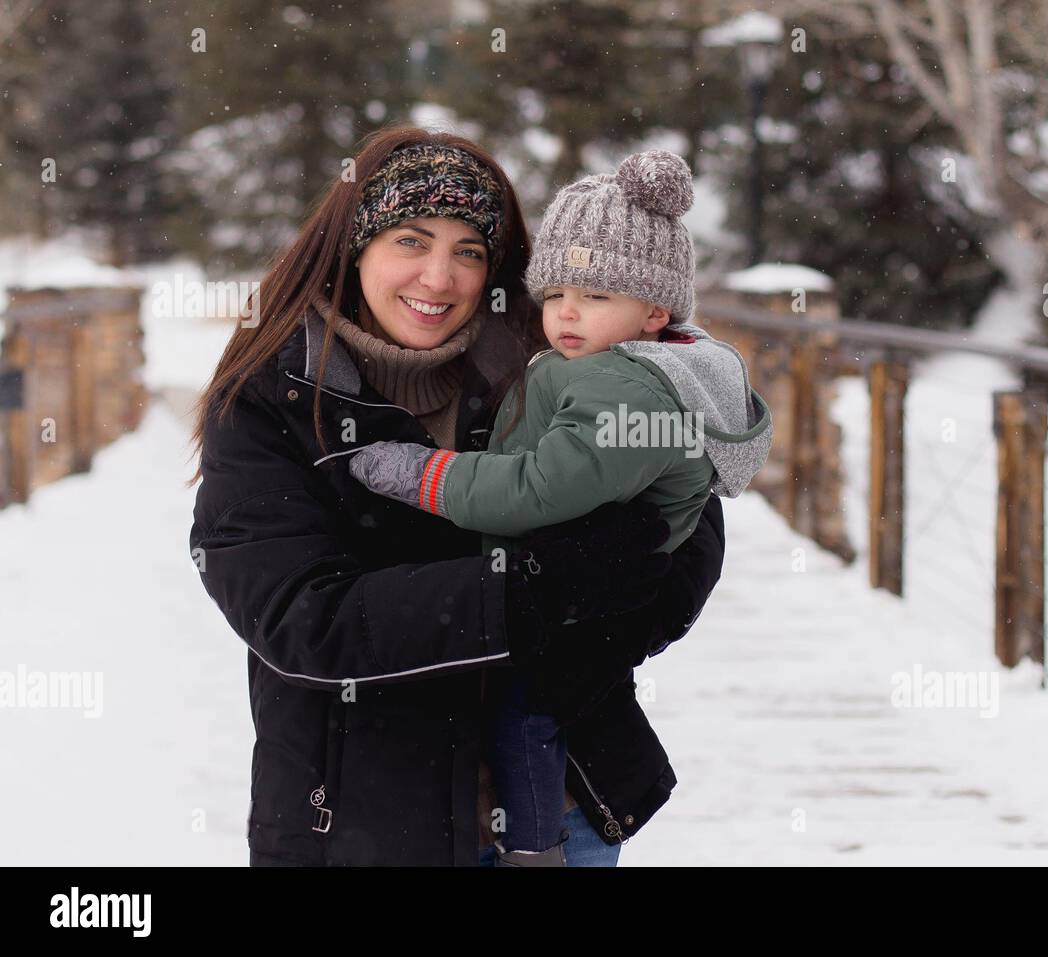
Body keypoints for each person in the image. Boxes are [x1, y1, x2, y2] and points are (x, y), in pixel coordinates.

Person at [186, 127, 726, 866]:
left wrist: (615, 617)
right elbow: (297, 615)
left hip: (564, 810)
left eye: (469, 251)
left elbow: (685, 514)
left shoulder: (549, 361)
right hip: (364, 825)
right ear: (356, 244)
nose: (439, 277)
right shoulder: (270, 399)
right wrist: (521, 597)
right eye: (412, 240)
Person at [348, 150, 772, 865]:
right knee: (534, 710)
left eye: (598, 296)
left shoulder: (623, 387)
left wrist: (421, 474)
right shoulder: (614, 365)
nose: (568, 313)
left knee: (527, 714)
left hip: (571, 612)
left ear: (654, 311)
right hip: (570, 601)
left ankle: (535, 846)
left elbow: (538, 489)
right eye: (557, 293)